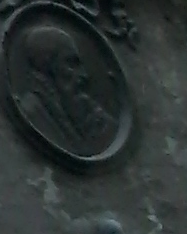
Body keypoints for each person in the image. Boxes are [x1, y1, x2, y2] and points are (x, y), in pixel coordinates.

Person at [17, 22, 114, 152]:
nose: (84, 75)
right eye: (71, 63)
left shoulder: (86, 113)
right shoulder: (32, 113)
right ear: (46, 67)